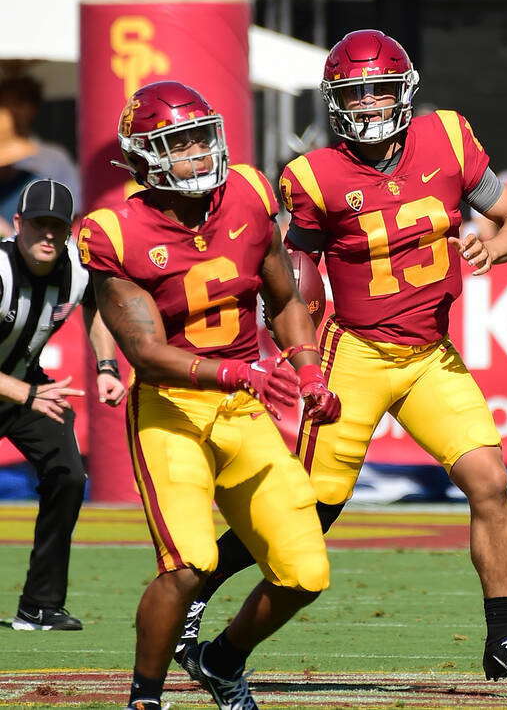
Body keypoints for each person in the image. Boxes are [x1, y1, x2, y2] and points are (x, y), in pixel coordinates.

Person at [174, 29, 507, 687]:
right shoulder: (313, 175)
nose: (371, 106)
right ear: (335, 103)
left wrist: (498, 245)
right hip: (358, 351)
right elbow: (294, 271)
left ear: (406, 93)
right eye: (357, 94)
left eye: (381, 91)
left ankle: (503, 639)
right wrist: (296, 340)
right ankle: (199, 583)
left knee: (490, 483)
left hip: (431, 356)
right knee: (310, 513)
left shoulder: (449, 139)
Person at [78, 81, 339, 710]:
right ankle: (145, 697)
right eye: (177, 143)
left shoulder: (247, 194)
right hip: (172, 411)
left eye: (201, 138)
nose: (196, 154)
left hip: (243, 408)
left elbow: (284, 301)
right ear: (142, 157)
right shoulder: (114, 230)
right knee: (188, 564)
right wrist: (239, 375)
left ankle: (222, 660)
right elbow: (143, 351)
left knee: (306, 572)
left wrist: (308, 371)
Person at [1, 179, 125, 631]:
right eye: (38, 225)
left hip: (25, 386)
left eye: (56, 226)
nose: (47, 235)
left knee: (67, 474)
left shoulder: (77, 268)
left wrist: (107, 367)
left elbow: (96, 307)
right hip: (21, 388)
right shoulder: (0, 271)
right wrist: (27, 394)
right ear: (19, 225)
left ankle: (40, 605)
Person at [0, 77, 81, 213]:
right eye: (5, 104)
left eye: (19, 103)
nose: (13, 111)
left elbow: (74, 208)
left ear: (34, 108)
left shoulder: (54, 158)